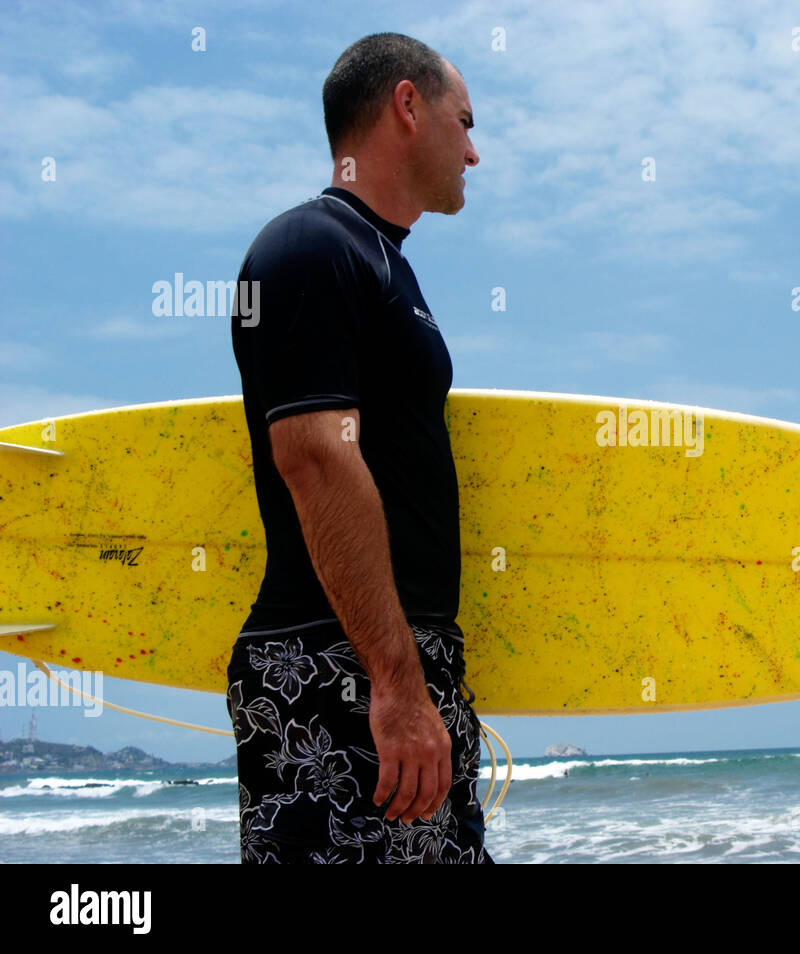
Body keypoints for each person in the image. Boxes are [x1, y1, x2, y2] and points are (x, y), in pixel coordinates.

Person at [226, 33, 488, 863]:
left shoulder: (383, 266)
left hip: (393, 670)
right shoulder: (309, 250)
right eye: (465, 121)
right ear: (408, 106)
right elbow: (315, 458)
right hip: (336, 674)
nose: (474, 152)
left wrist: (420, 681)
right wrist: (397, 684)